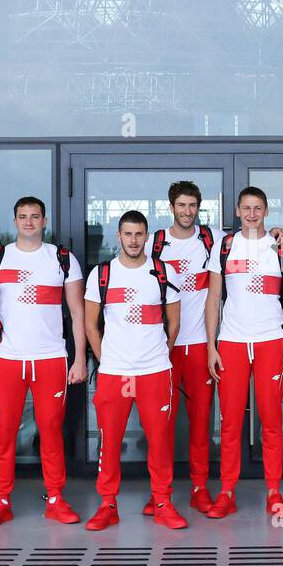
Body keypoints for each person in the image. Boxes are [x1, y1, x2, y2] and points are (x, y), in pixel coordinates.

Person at [0, 196, 86, 527]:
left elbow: (77, 312)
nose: (29, 222)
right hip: (6, 359)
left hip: (51, 358)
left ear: (44, 221)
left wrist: (79, 359)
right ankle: (1, 499)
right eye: (23, 216)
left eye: (35, 216)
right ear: (15, 221)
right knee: (4, 432)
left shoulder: (62, 259)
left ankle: (55, 499)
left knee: (51, 430)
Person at [205, 187, 283, 519]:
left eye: (257, 208)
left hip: (270, 342)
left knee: (272, 421)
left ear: (266, 210)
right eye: (246, 208)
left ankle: (274, 492)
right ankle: (227, 491)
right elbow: (213, 299)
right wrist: (211, 347)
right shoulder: (223, 246)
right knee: (230, 423)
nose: (251, 214)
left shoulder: (281, 246)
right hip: (231, 343)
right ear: (236, 210)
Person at [83, 210, 185, 530]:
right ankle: (108, 505)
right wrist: (106, 359)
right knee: (110, 442)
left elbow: (174, 322)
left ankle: (162, 501)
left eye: (139, 234)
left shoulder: (163, 273)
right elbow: (90, 323)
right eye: (128, 234)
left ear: (147, 236)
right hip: (115, 373)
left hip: (155, 370)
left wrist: (158, 355)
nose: (133, 240)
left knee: (159, 440)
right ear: (119, 236)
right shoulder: (102, 274)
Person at [146, 181, 222, 515]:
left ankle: (199, 487)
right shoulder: (153, 244)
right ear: (171, 207)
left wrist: (280, 233)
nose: (187, 211)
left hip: (201, 344)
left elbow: (253, 239)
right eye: (181, 205)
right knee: (159, 424)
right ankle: (158, 492)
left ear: (199, 208)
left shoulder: (213, 240)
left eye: (192, 205)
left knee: (201, 421)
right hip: (163, 348)